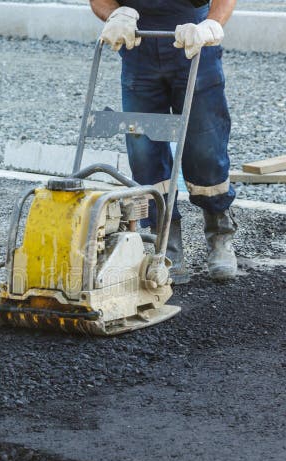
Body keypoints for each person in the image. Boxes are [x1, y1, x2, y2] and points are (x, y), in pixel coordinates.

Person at [90, 0, 238, 283]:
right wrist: (115, 15)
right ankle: (164, 240)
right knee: (144, 151)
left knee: (205, 147)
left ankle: (220, 232)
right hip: (139, 46)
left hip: (194, 39)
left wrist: (211, 24)